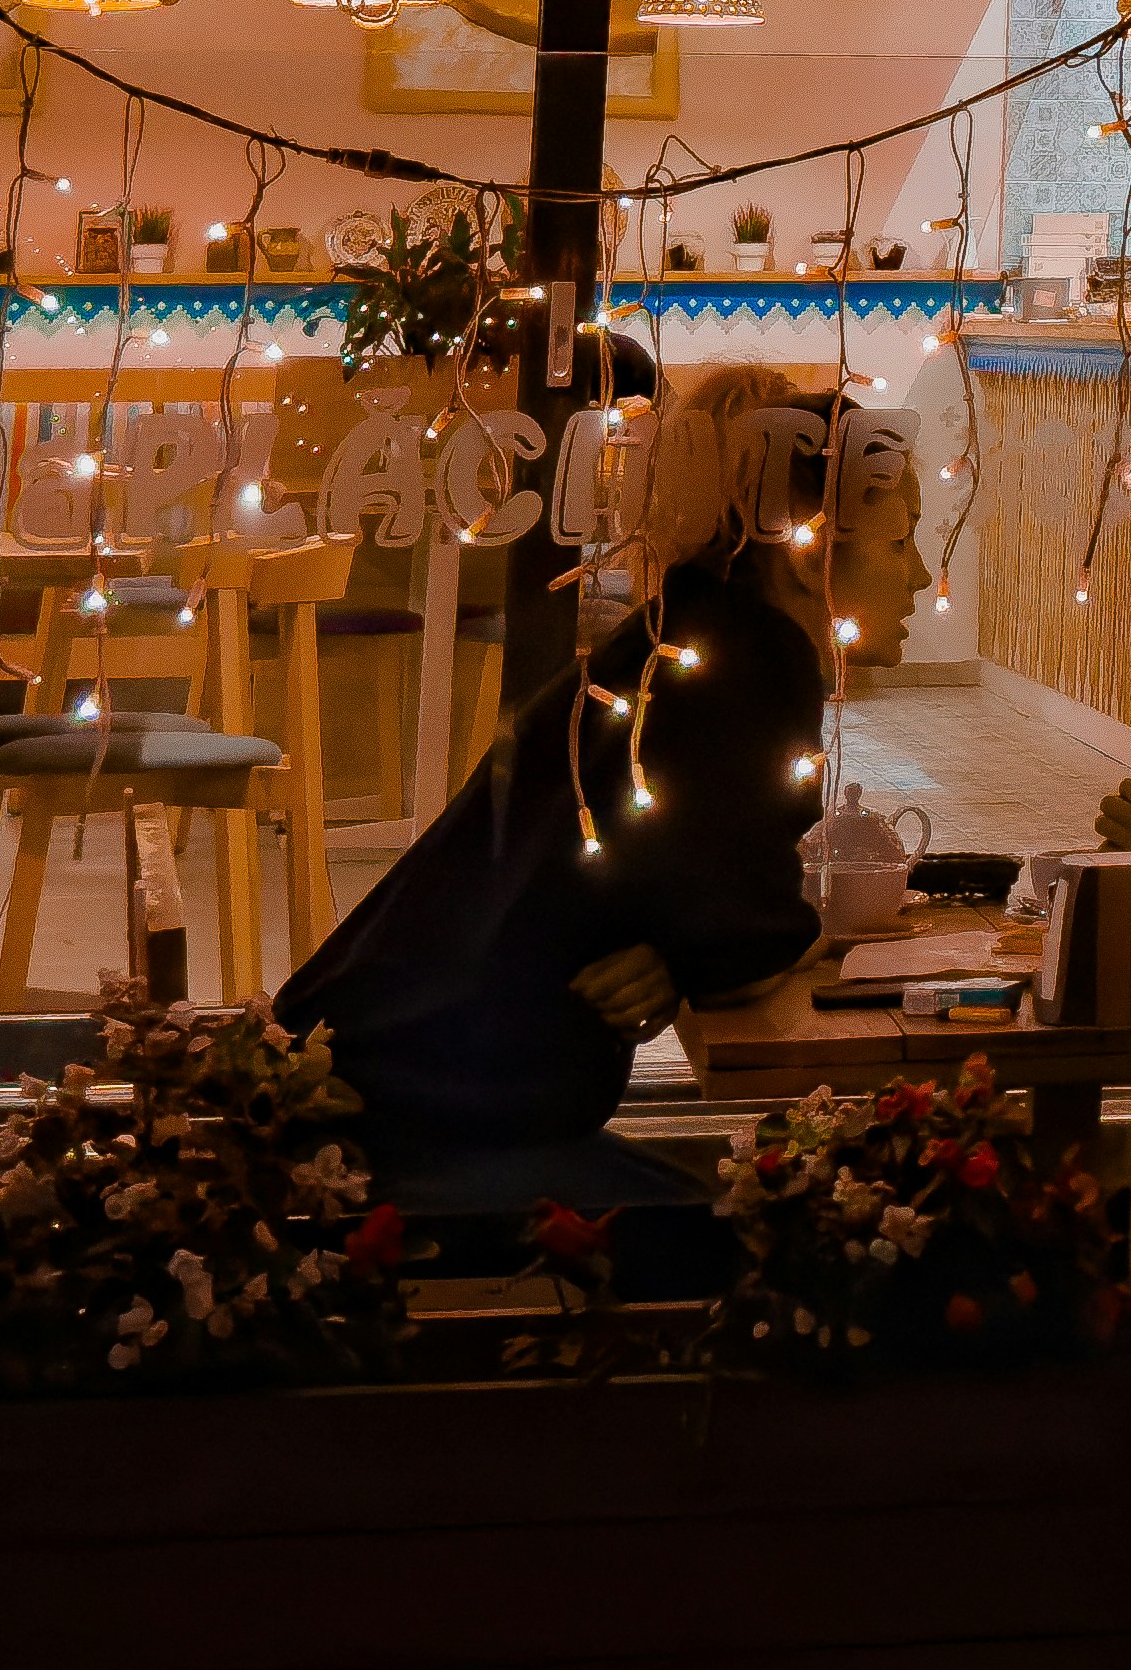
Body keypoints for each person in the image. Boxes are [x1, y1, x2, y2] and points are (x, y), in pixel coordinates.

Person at [270, 364, 878, 1208]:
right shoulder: (753, 655)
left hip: (383, 1063)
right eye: (900, 537)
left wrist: (681, 947)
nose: (920, 576)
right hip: (414, 1113)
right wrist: (713, 946)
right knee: (749, 1242)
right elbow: (745, 927)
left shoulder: (679, 632)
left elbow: (701, 892)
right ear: (812, 551)